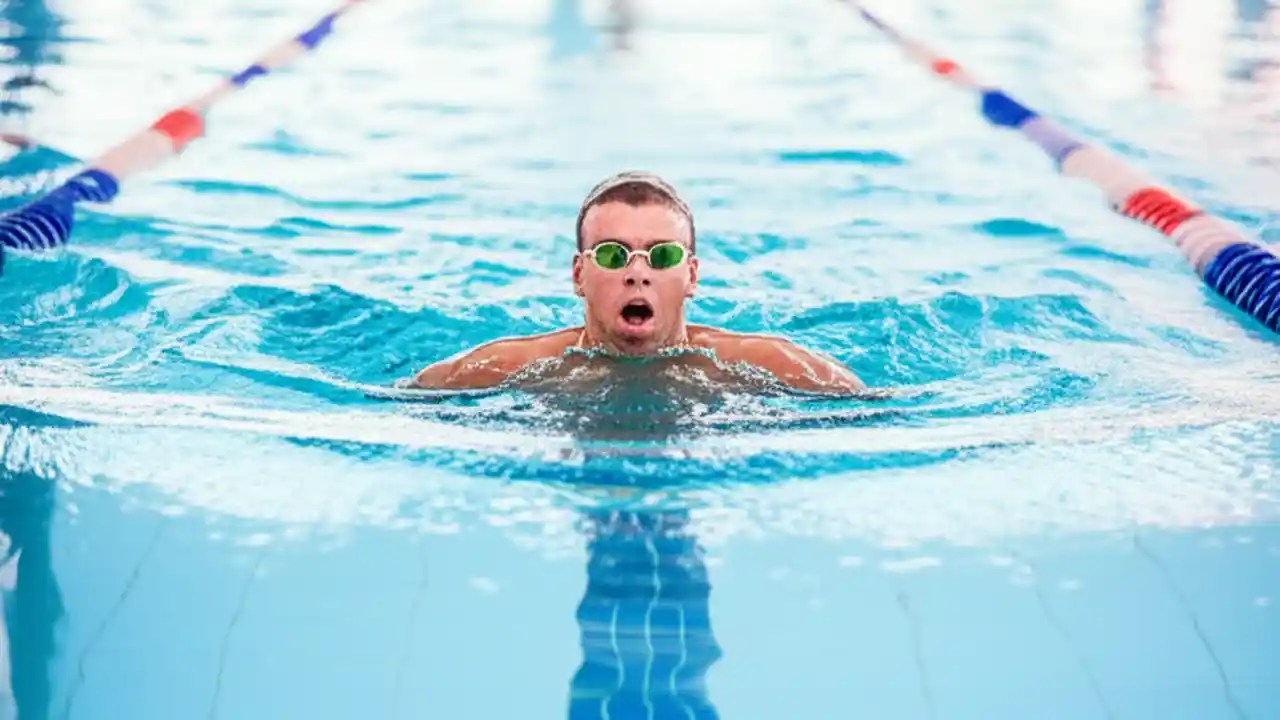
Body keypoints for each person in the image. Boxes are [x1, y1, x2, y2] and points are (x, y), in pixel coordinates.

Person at [410, 171, 866, 394]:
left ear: (691, 276)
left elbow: (872, 408)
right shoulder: (502, 368)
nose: (637, 272)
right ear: (578, 275)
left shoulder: (773, 365)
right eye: (612, 254)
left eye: (662, 255)